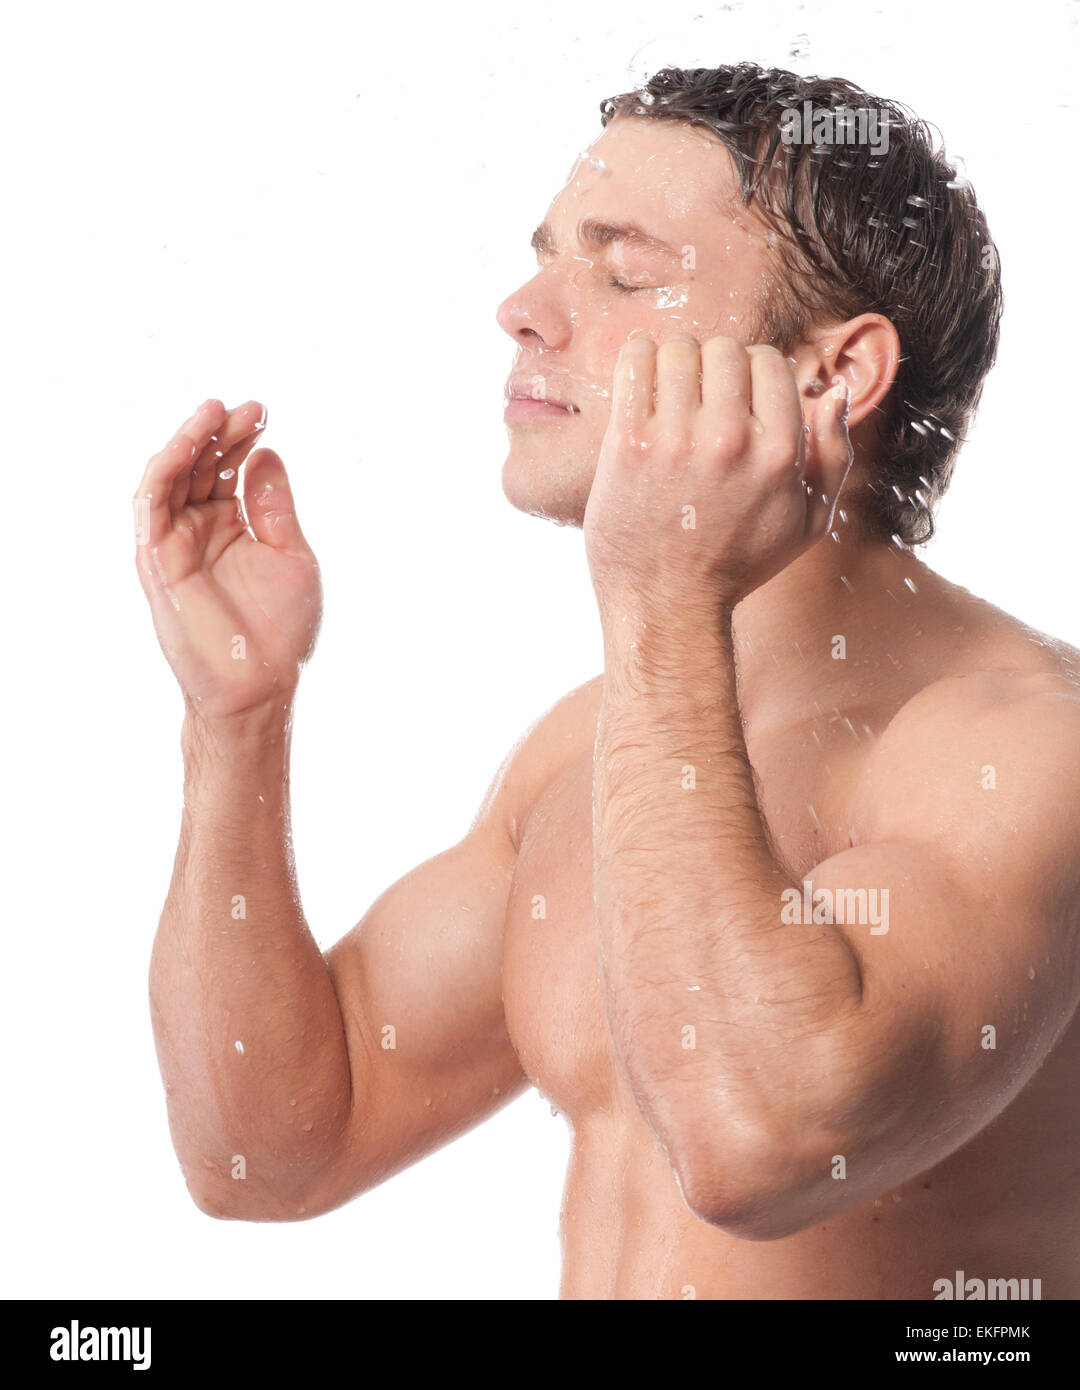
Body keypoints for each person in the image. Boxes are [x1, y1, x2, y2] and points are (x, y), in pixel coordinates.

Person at [134, 63, 1080, 1299]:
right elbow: (266, 1152)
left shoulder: (1025, 749)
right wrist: (236, 723)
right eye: (547, 258)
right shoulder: (581, 756)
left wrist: (661, 600)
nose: (523, 309)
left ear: (833, 374)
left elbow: (760, 1140)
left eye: (623, 271)